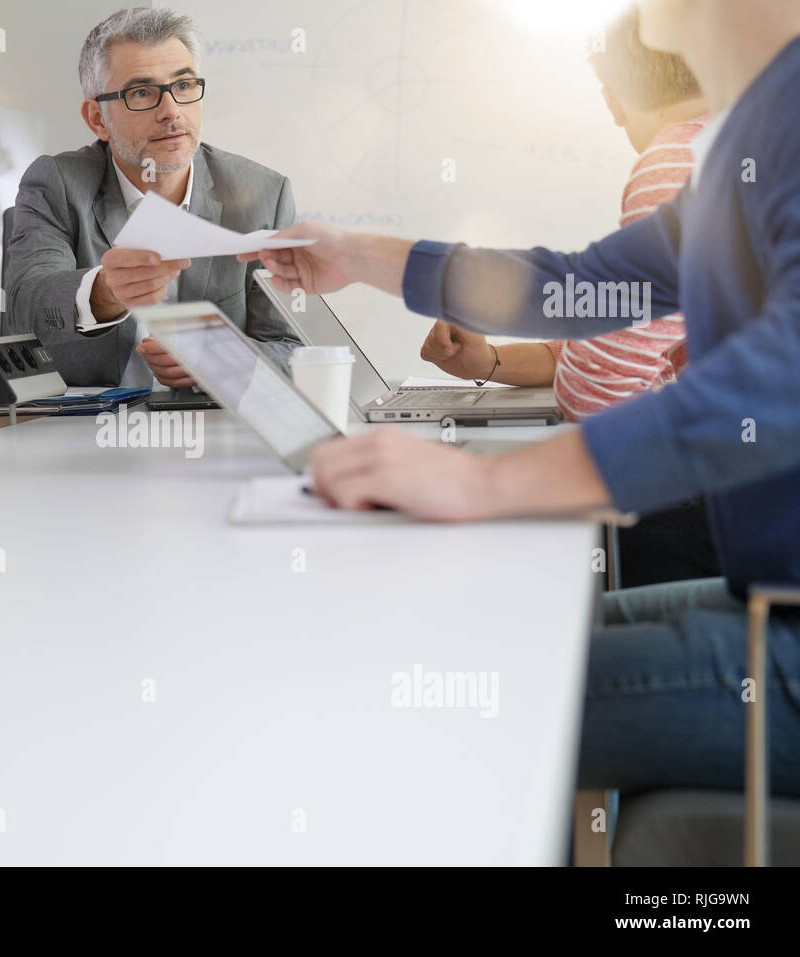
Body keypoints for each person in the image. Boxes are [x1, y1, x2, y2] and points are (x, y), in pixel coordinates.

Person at [244, 0, 800, 798]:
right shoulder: (748, 139)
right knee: (503, 634)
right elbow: (577, 286)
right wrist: (358, 255)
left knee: (437, 687)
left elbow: (778, 384)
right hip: (769, 599)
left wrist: (484, 482)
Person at [419, 8, 718, 587]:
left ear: (613, 99)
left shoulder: (675, 163)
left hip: (735, 516)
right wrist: (493, 362)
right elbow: (622, 344)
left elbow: (595, 392)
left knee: (545, 614)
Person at [2, 7, 300, 389]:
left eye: (184, 85)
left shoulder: (264, 195)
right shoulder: (58, 184)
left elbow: (293, 347)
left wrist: (226, 362)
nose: (171, 111)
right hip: (91, 430)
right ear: (97, 119)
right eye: (141, 92)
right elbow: (26, 310)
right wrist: (104, 292)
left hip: (217, 430)